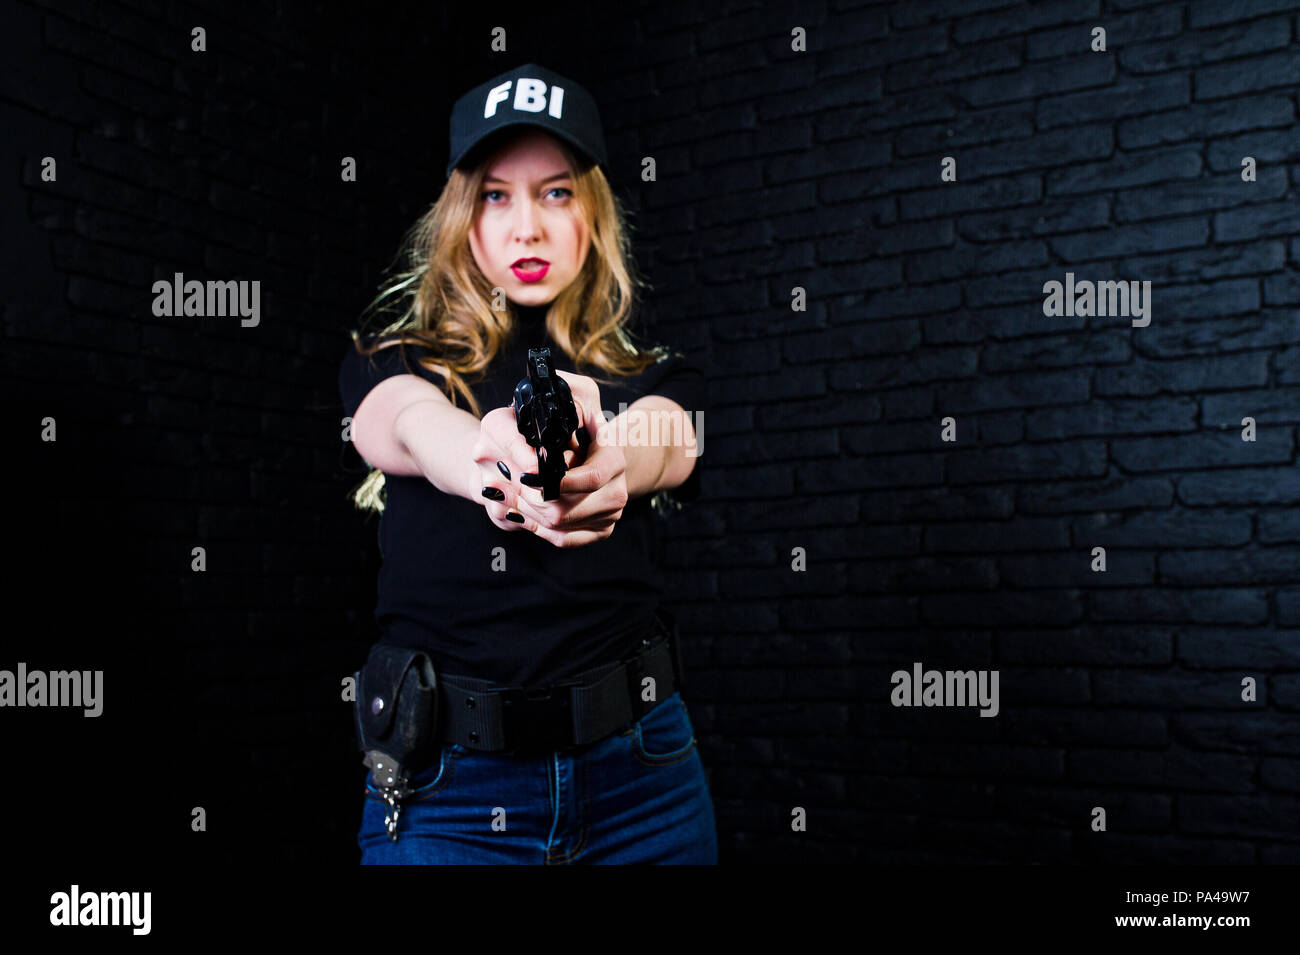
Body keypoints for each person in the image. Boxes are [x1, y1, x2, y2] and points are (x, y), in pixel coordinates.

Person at [337, 63, 717, 864]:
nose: (527, 229)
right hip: (448, 797)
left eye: (556, 192)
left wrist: (608, 456)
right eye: (495, 196)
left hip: (644, 787)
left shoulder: (655, 375)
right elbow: (409, 427)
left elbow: (670, 440)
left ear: (593, 212)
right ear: (460, 216)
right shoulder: (391, 362)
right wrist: (487, 456)